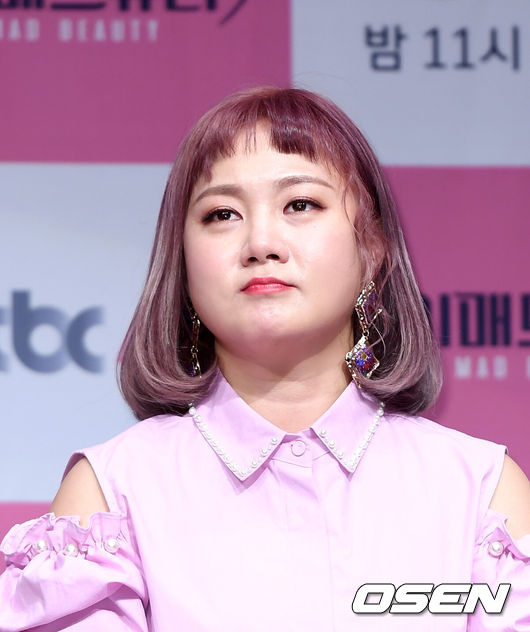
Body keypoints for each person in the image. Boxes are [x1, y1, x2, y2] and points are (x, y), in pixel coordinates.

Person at [0, 87, 529, 631]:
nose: (261, 243)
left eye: (300, 205)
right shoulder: (109, 496)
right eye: (222, 214)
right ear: (183, 262)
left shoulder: (482, 491)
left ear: (372, 247)